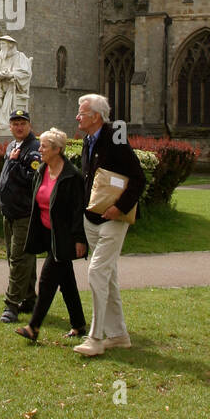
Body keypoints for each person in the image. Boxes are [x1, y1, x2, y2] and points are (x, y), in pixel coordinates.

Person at [73, 94, 146, 357]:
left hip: (113, 219)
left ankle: (96, 337)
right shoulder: (87, 140)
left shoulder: (115, 136)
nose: (77, 117)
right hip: (92, 218)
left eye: (81, 113)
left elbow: (138, 177)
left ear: (96, 116)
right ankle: (119, 335)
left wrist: (120, 208)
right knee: (109, 276)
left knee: (97, 272)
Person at [15, 128, 87, 341]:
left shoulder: (72, 176)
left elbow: (77, 210)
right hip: (47, 233)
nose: (40, 149)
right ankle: (79, 325)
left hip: (64, 237)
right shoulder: (42, 170)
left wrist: (80, 239)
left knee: (47, 281)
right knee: (66, 281)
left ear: (57, 150)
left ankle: (33, 327)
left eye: (44, 146)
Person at [0, 110, 41, 324]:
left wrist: (15, 164)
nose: (19, 127)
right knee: (23, 258)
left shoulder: (34, 149)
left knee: (18, 259)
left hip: (25, 213)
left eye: (22, 123)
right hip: (10, 212)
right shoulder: (12, 146)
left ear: (29, 125)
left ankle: (11, 305)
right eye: (15, 123)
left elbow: (33, 179)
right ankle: (30, 298)